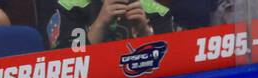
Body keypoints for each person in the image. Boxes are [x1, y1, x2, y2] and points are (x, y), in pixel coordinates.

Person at [43, 0, 174, 49]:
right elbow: (64, 64)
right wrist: (101, 23)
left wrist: (145, 32)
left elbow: (173, 61)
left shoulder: (157, 11)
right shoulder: (70, 6)